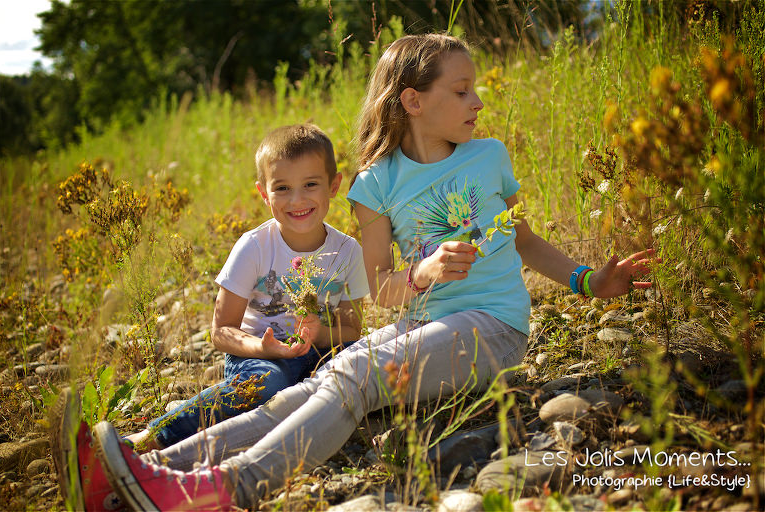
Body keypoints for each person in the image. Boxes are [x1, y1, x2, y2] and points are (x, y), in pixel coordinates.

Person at [66, 34, 655, 511]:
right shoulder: (377, 183)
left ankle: (221, 491)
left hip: (494, 328)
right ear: (413, 100)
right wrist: (422, 272)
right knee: (318, 383)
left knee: (354, 373)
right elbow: (381, 289)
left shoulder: (489, 156)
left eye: (474, 89)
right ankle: (150, 473)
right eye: (462, 90)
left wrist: (590, 281)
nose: (477, 102)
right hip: (427, 327)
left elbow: (521, 237)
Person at [48, 123, 369, 511]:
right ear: (263, 193)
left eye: (311, 185)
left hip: (317, 354)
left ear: (334, 185)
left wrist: (320, 335)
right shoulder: (254, 247)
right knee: (268, 384)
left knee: (356, 366)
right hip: (260, 356)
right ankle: (141, 443)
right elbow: (220, 331)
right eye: (282, 187)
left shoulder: (347, 250)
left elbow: (353, 329)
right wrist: (261, 346)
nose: (297, 199)